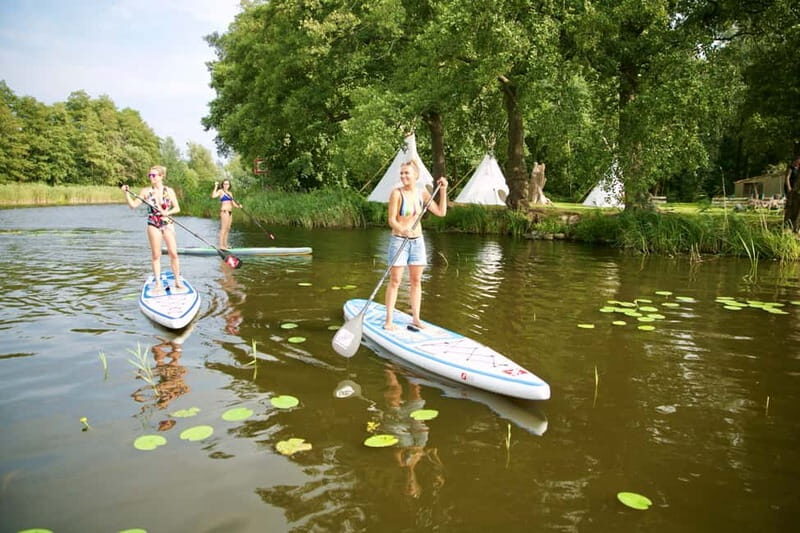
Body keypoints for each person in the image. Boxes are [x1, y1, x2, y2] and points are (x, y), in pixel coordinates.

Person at [384, 160, 448, 330]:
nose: (403, 176)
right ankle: (389, 320)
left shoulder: (423, 194)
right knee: (396, 280)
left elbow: (441, 213)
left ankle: (416, 319)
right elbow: (391, 220)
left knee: (416, 280)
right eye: (402, 173)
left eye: (407, 173)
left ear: (416, 176)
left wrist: (443, 190)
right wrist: (403, 230)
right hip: (399, 241)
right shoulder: (396, 194)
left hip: (418, 242)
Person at [121, 165, 184, 291]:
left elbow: (177, 208)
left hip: (167, 222)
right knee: (156, 255)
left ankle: (177, 281)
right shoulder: (145, 191)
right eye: (149, 175)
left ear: (161, 176)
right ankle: (158, 284)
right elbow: (133, 205)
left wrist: (168, 212)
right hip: (153, 223)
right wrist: (126, 193)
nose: (151, 177)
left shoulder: (169, 191)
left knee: (173, 253)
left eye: (153, 175)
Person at [211, 179, 242, 249]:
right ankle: (221, 246)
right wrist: (215, 186)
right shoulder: (221, 191)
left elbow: (233, 203)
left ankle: (225, 245)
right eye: (224, 184)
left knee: (228, 229)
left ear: (229, 185)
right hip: (224, 212)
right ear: (222, 185)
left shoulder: (230, 193)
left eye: (227, 184)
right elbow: (213, 196)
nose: (226, 185)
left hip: (230, 212)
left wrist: (239, 206)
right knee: (223, 229)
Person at [783, 156, 800, 231]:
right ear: (795, 160)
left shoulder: (798, 169)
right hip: (790, 188)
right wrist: (789, 188)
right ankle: (787, 224)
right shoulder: (791, 168)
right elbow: (787, 178)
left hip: (796, 189)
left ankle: (794, 225)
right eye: (798, 160)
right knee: (790, 205)